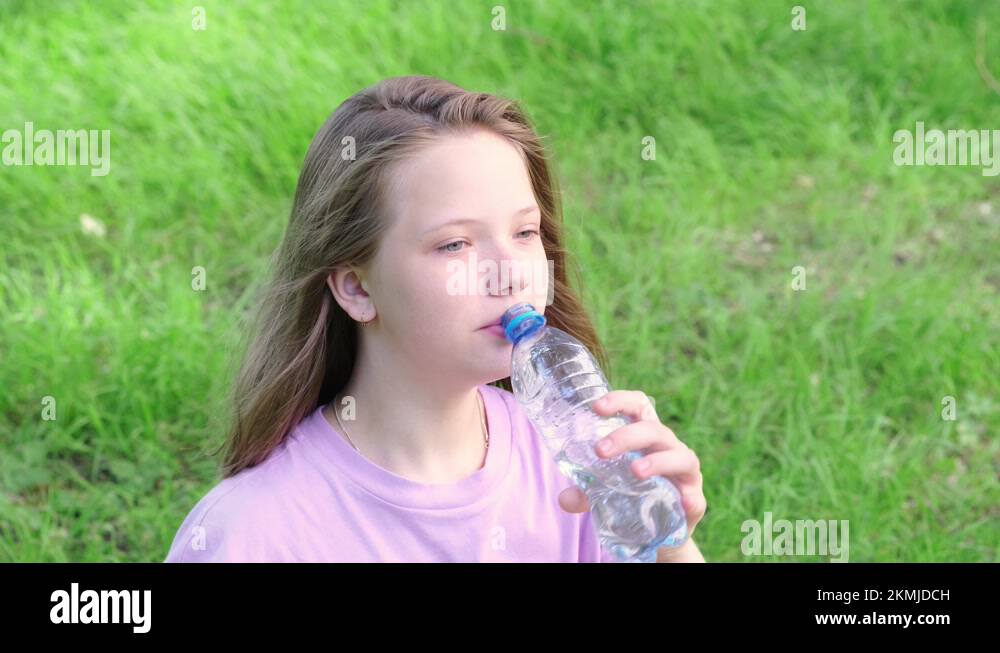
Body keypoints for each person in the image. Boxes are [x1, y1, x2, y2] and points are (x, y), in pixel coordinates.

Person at [164, 76, 706, 562]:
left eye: (524, 233)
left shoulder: (576, 460)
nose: (510, 273)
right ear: (356, 287)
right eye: (454, 244)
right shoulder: (254, 535)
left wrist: (673, 544)